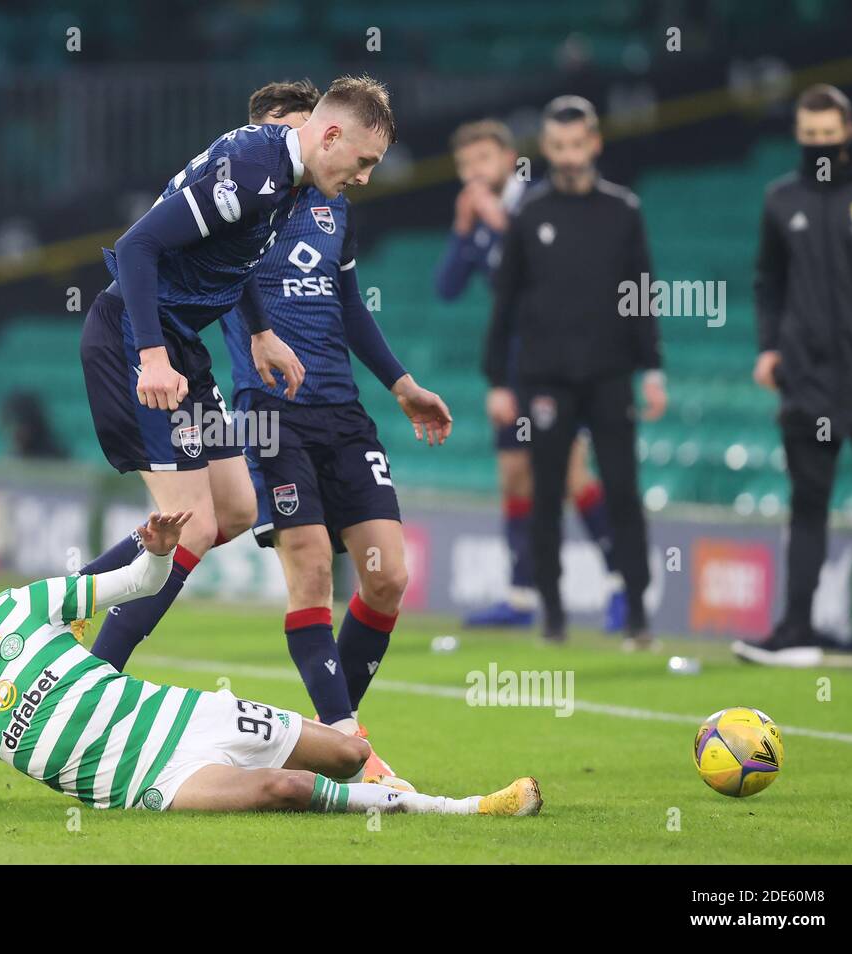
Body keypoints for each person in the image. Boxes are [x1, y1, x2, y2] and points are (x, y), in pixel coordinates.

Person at [0, 511, 542, 818]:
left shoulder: (26, 607)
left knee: (347, 751)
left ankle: (398, 797)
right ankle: (465, 810)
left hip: (183, 713)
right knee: (284, 790)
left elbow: (138, 586)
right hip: (154, 779)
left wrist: (152, 550)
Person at [76, 76, 396, 671]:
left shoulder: (287, 181)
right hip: (133, 336)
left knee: (238, 509)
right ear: (329, 135)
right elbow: (137, 245)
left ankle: (71, 597)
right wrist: (151, 355)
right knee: (193, 527)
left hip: (182, 345)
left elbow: (235, 254)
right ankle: (88, 676)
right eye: (364, 160)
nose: (365, 177)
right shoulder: (255, 172)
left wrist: (259, 331)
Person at [219, 80, 451, 789]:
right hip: (270, 410)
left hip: (343, 411)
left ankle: (325, 733)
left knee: (388, 577)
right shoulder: (235, 203)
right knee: (312, 565)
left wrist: (402, 383)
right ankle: (352, 746)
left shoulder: (332, 209)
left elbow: (347, 302)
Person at [483, 96, 666, 647]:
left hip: (610, 376)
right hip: (546, 380)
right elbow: (505, 305)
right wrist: (496, 380)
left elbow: (642, 295)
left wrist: (652, 369)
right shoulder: (530, 215)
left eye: (576, 144)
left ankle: (636, 615)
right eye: (557, 146)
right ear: (547, 148)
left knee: (624, 492)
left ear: (594, 144)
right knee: (545, 500)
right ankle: (554, 617)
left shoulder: (623, 210)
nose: (567, 155)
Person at [438, 118, 625, 632]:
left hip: (560, 363)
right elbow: (447, 288)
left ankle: (621, 583)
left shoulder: (540, 204)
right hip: (513, 367)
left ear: (507, 159)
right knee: (514, 476)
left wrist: (501, 225)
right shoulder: (476, 218)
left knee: (570, 473)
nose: (473, 172)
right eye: (465, 164)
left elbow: (554, 275)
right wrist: (462, 229)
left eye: (483, 160)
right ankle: (520, 597)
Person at [742, 83, 852, 662]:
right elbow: (768, 284)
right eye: (809, 136)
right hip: (808, 380)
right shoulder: (782, 199)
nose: (819, 144)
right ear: (799, 136)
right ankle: (797, 631)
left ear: (847, 132)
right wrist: (769, 348)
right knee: (808, 505)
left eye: (828, 134)